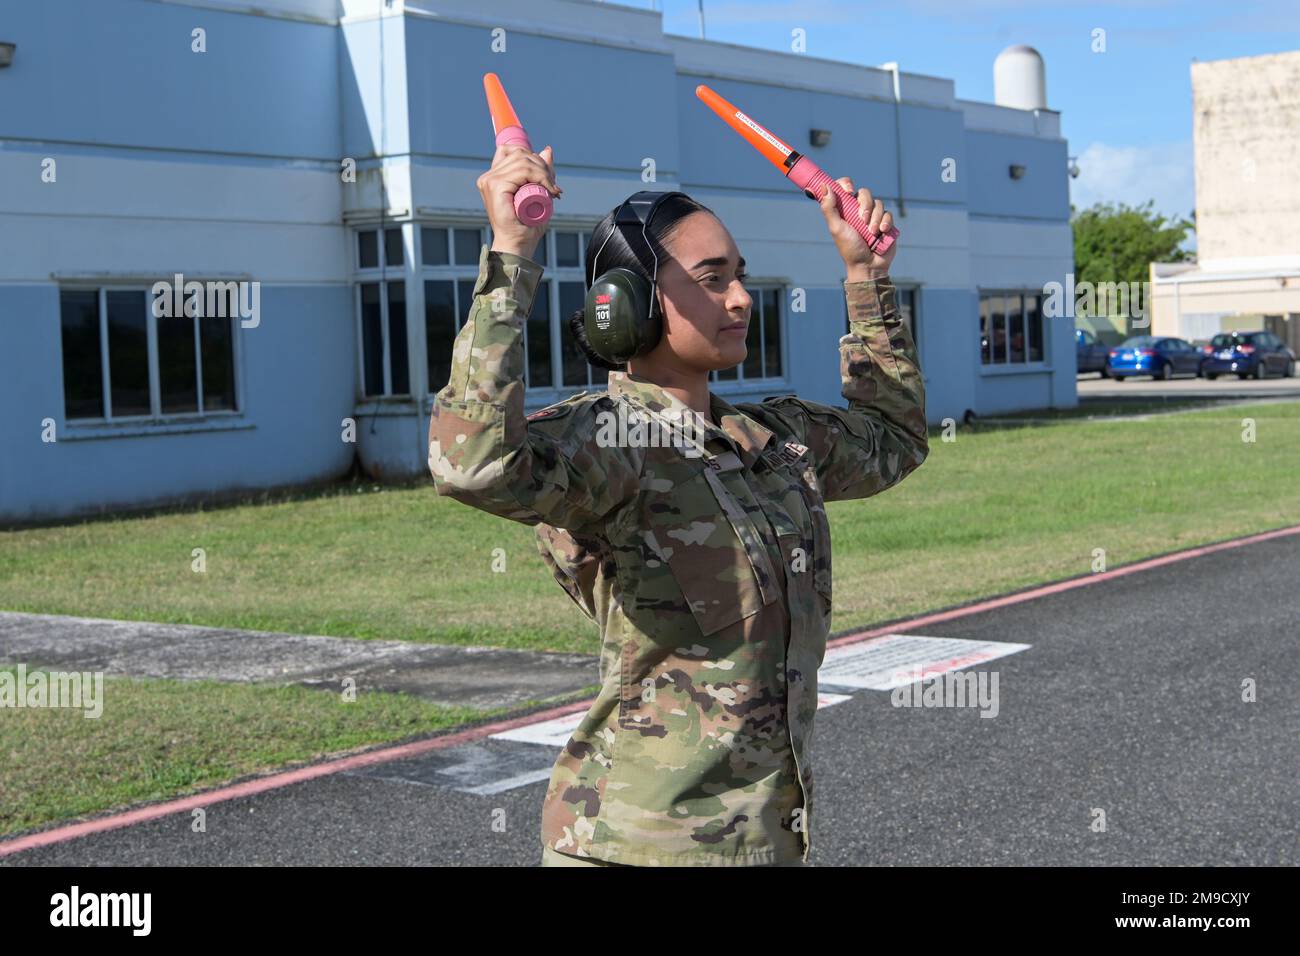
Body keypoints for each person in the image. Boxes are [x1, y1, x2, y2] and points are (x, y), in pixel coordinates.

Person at [428, 141, 929, 867]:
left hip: (762, 844)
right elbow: (473, 464)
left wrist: (865, 275)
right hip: (634, 846)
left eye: (741, 277)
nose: (740, 298)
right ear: (626, 303)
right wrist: (512, 253)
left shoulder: (776, 439)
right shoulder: (611, 443)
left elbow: (893, 440)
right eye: (712, 278)